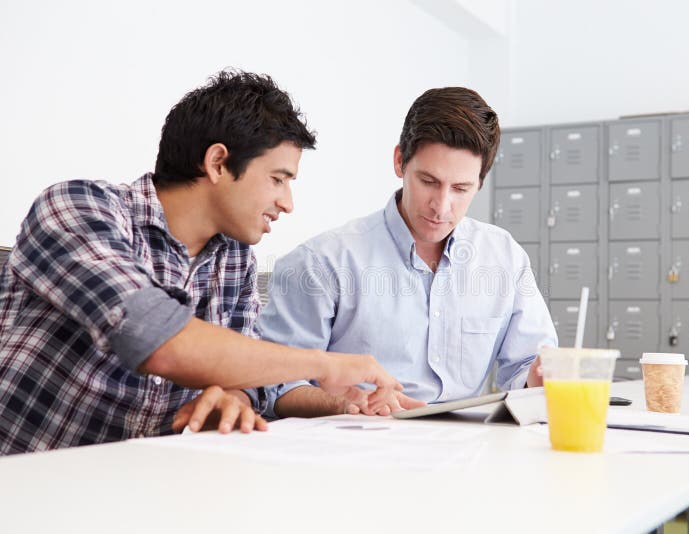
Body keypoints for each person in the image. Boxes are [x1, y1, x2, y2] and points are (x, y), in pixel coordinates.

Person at [0, 70, 401, 455]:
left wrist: (232, 397)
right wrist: (324, 365)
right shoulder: (78, 208)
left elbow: (248, 372)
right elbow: (158, 340)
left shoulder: (235, 259)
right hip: (27, 476)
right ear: (218, 163)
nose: (287, 203)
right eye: (278, 179)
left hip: (141, 484)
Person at [259, 87, 557, 418]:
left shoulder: (504, 257)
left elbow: (526, 369)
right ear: (400, 161)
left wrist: (536, 376)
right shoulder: (322, 262)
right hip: (361, 443)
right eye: (429, 181)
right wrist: (347, 405)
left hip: (468, 450)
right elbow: (273, 387)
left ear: (480, 183)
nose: (441, 206)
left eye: (460, 189)